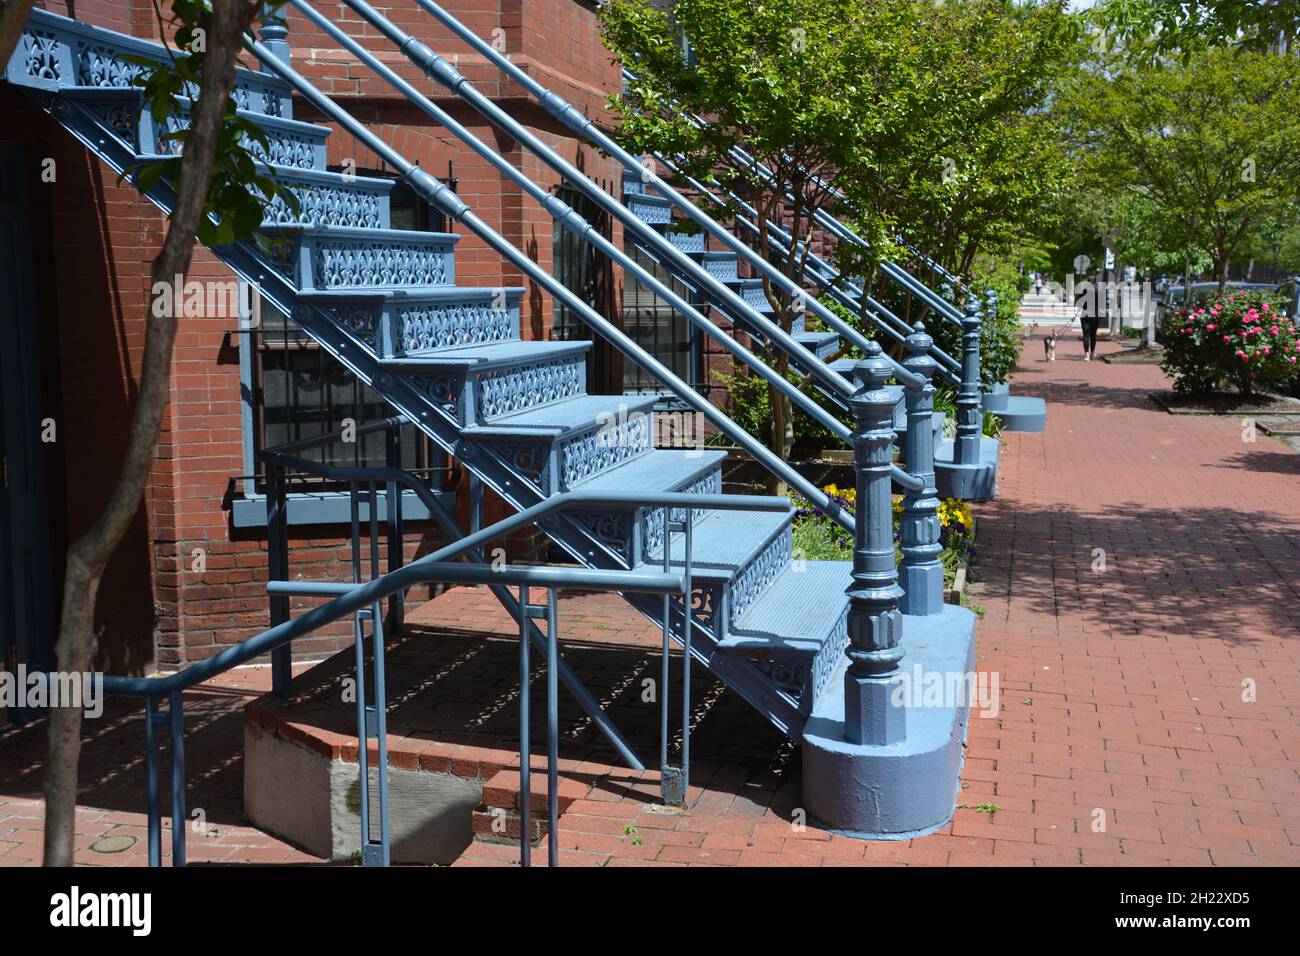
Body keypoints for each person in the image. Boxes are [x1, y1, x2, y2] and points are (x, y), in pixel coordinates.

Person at [1076, 271, 1101, 361]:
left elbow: (1078, 301)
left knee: (1086, 335)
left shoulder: (1084, 289)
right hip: (1096, 315)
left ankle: (1086, 355)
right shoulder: (1100, 290)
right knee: (1093, 335)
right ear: (1095, 281)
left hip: (1085, 315)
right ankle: (1092, 353)